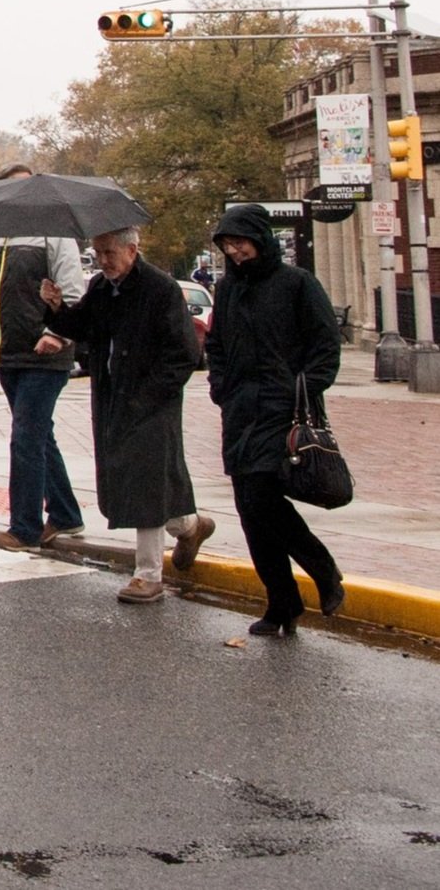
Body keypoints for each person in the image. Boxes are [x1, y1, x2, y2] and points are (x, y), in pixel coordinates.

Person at [38, 227, 216, 603]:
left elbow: (184, 352)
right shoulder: (102, 289)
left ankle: (148, 574)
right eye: (98, 253)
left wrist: (149, 394)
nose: (102, 261)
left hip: (152, 401)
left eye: (109, 253)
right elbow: (83, 327)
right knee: (128, 480)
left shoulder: (161, 289)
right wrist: (56, 308)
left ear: (132, 250)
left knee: (146, 482)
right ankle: (188, 525)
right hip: (113, 398)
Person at [203, 204, 344, 636]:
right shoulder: (227, 290)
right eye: (228, 245)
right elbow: (218, 345)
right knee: (250, 509)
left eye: (240, 242)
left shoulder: (297, 284)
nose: (235, 251)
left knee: (263, 498)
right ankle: (281, 602)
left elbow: (326, 347)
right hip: (240, 411)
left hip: (282, 412)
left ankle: (322, 569)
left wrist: (301, 388)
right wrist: (221, 387)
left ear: (260, 240)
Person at [0, 163, 90, 553]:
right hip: (8, 356)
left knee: (25, 438)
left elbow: (74, 294)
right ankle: (65, 515)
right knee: (39, 436)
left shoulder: (56, 236)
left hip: (47, 356)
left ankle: (24, 528)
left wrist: (55, 334)